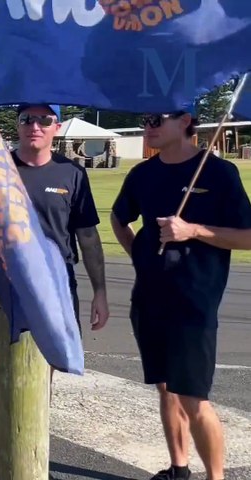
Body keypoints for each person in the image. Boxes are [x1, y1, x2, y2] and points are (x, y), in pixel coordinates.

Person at [0, 104, 110, 480]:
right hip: (0, 288)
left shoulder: (72, 173)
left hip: (54, 292)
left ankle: (31, 457)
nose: (35, 126)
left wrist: (100, 291)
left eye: (44, 119)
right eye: (26, 119)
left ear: (57, 127)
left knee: (40, 377)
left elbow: (87, 236)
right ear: (17, 125)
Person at [110, 107, 251, 480]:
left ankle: (215, 476)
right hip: (149, 298)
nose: (148, 127)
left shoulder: (219, 173)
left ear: (185, 120)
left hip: (194, 302)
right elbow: (119, 218)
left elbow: (248, 236)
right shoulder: (142, 174)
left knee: (193, 398)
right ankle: (179, 468)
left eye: (156, 119)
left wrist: (193, 231)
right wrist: (139, 255)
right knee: (165, 388)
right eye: (145, 120)